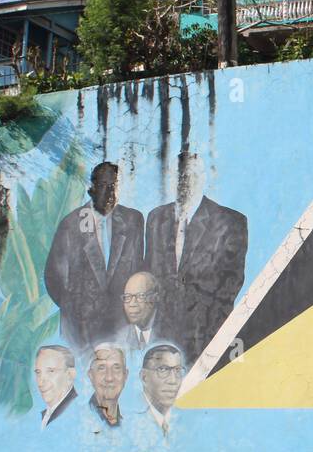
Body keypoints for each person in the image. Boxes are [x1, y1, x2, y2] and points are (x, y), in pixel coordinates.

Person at [145, 154, 247, 365]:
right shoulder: (156, 217)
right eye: (181, 174)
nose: (186, 180)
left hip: (206, 336)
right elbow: (149, 272)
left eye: (192, 174)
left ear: (203, 177)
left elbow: (231, 283)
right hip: (162, 338)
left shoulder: (229, 221)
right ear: (173, 177)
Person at [45, 161, 145, 353]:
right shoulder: (71, 224)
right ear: (91, 189)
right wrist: (75, 310)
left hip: (121, 331)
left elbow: (139, 269)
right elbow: (53, 276)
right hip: (81, 333)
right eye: (102, 186)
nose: (109, 193)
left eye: (113, 186)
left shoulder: (134, 220)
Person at [138, 343, 184, 434]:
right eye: (163, 369)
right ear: (144, 377)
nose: (173, 381)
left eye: (177, 370)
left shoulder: (187, 421)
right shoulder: (127, 420)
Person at [34, 344, 78, 428]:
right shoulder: (45, 415)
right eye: (38, 372)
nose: (40, 382)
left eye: (51, 371)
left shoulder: (75, 414)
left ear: (70, 375)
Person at [86, 343, 128, 427]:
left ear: (125, 376)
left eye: (116, 368)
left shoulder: (130, 423)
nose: (109, 378)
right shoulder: (81, 420)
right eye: (101, 368)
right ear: (91, 376)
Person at [119, 272, 161, 351]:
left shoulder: (173, 334)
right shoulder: (120, 339)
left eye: (140, 296)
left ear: (154, 298)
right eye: (127, 297)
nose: (132, 304)